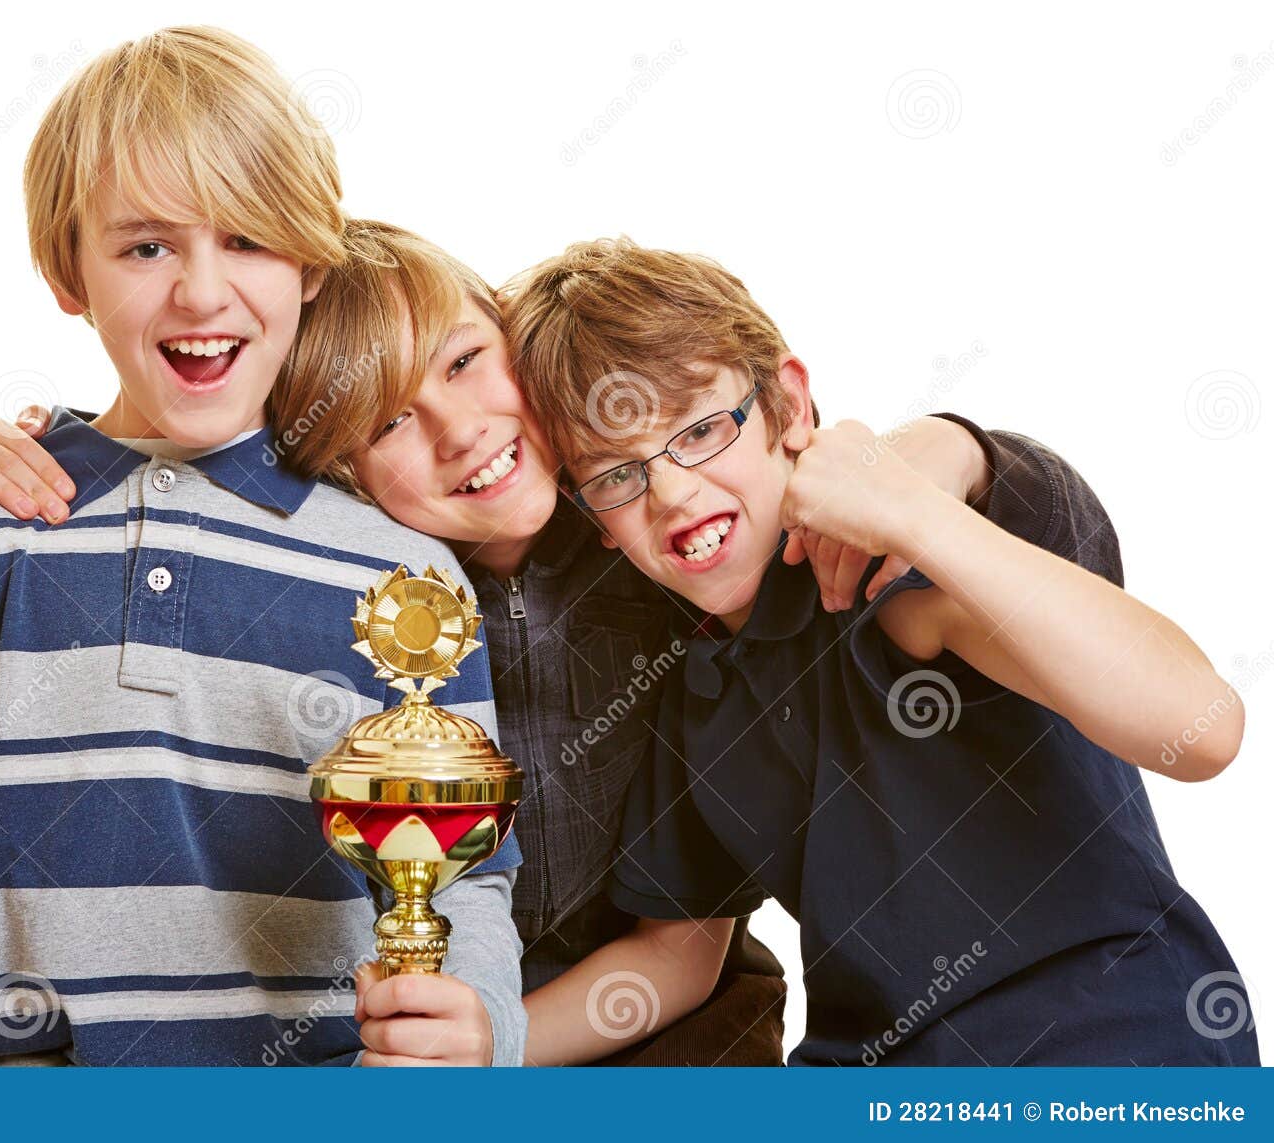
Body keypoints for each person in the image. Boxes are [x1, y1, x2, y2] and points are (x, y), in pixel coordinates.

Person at [0, 220, 1115, 1065]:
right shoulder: (357, 590)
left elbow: (814, 466)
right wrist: (63, 449)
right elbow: (192, 477)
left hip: (687, 1038)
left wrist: (946, 444)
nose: (458, 430)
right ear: (331, 465)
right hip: (418, 1043)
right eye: (388, 421)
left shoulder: (660, 537)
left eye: (465, 362)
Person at [0, 27, 524, 1068]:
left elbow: (465, 873)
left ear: (310, 265)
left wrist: (482, 1022)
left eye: (246, 238)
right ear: (70, 272)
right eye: (146, 246)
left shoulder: (404, 577)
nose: (200, 292)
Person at [500, 236, 1257, 1065]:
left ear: (789, 406)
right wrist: (481, 1047)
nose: (673, 491)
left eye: (702, 429)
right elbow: (673, 953)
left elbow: (1204, 727)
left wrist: (922, 505)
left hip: (1103, 1052)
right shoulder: (693, 698)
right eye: (616, 474)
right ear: (593, 519)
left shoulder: (897, 584)